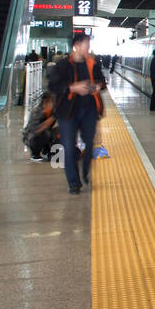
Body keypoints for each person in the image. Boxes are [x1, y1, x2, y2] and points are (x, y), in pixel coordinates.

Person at [47, 32, 106, 194]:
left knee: (89, 142)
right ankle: (73, 182)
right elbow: (52, 87)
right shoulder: (63, 65)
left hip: (89, 110)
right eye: (86, 45)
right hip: (68, 112)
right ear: (77, 46)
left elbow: (102, 81)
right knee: (68, 146)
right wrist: (73, 88)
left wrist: (98, 85)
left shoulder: (92, 63)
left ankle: (85, 171)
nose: (88, 48)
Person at [21, 92, 58, 162]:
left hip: (47, 137)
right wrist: (49, 121)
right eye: (48, 102)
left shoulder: (54, 112)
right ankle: (35, 153)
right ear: (44, 102)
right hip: (31, 138)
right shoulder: (37, 112)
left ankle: (47, 150)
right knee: (45, 133)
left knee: (57, 132)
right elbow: (34, 131)